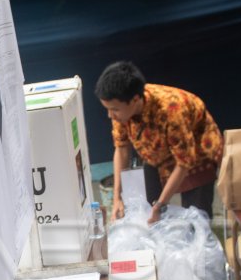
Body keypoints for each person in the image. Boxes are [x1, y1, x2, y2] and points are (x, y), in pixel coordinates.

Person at [95, 61, 223, 223]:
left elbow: (184, 163)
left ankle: (201, 242)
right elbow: (121, 149)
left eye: (114, 109)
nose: (110, 115)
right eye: (107, 109)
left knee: (197, 216)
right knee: (148, 209)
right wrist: (117, 198)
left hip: (196, 150)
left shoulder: (172, 111)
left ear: (135, 100)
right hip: (156, 149)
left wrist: (161, 205)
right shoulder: (121, 110)